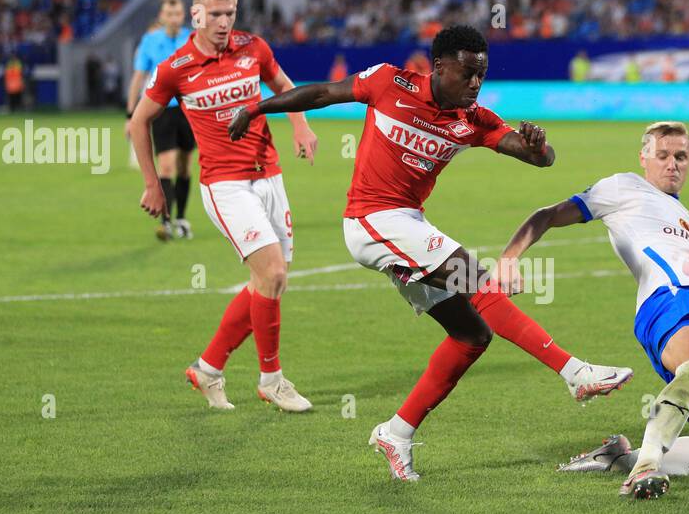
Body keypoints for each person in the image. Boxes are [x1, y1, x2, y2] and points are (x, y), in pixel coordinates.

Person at [229, 24, 634, 481]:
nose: (476, 84)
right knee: (475, 278)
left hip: (408, 225)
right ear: (439, 67)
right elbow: (323, 92)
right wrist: (257, 108)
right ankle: (575, 372)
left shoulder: (473, 119)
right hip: (370, 219)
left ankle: (396, 433)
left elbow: (534, 156)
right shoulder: (389, 83)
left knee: (472, 335)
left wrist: (541, 149)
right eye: (468, 73)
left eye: (482, 74)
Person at [497, 121, 689, 499]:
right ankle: (645, 469)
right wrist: (510, 257)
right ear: (644, 158)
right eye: (663, 155)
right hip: (665, 300)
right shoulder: (624, 187)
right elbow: (546, 215)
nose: (672, 164)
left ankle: (619, 458)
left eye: (681, 156)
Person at [129, 0, 319, 412]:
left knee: (269, 282)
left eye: (229, 13)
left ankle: (208, 368)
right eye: (214, 14)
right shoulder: (176, 68)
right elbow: (140, 121)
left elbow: (284, 88)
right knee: (271, 275)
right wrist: (151, 184)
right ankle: (272, 379)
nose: (223, 22)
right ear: (196, 14)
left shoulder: (253, 48)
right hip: (225, 185)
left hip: (269, 175)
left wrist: (301, 125)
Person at [128, 0, 196, 240]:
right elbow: (139, 76)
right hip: (162, 109)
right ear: (161, 17)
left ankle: (181, 218)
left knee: (185, 166)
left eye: (178, 14)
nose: (174, 18)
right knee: (166, 165)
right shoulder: (150, 41)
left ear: (183, 16)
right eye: (169, 14)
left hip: (190, 109)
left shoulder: (192, 39)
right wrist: (130, 112)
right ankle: (166, 222)